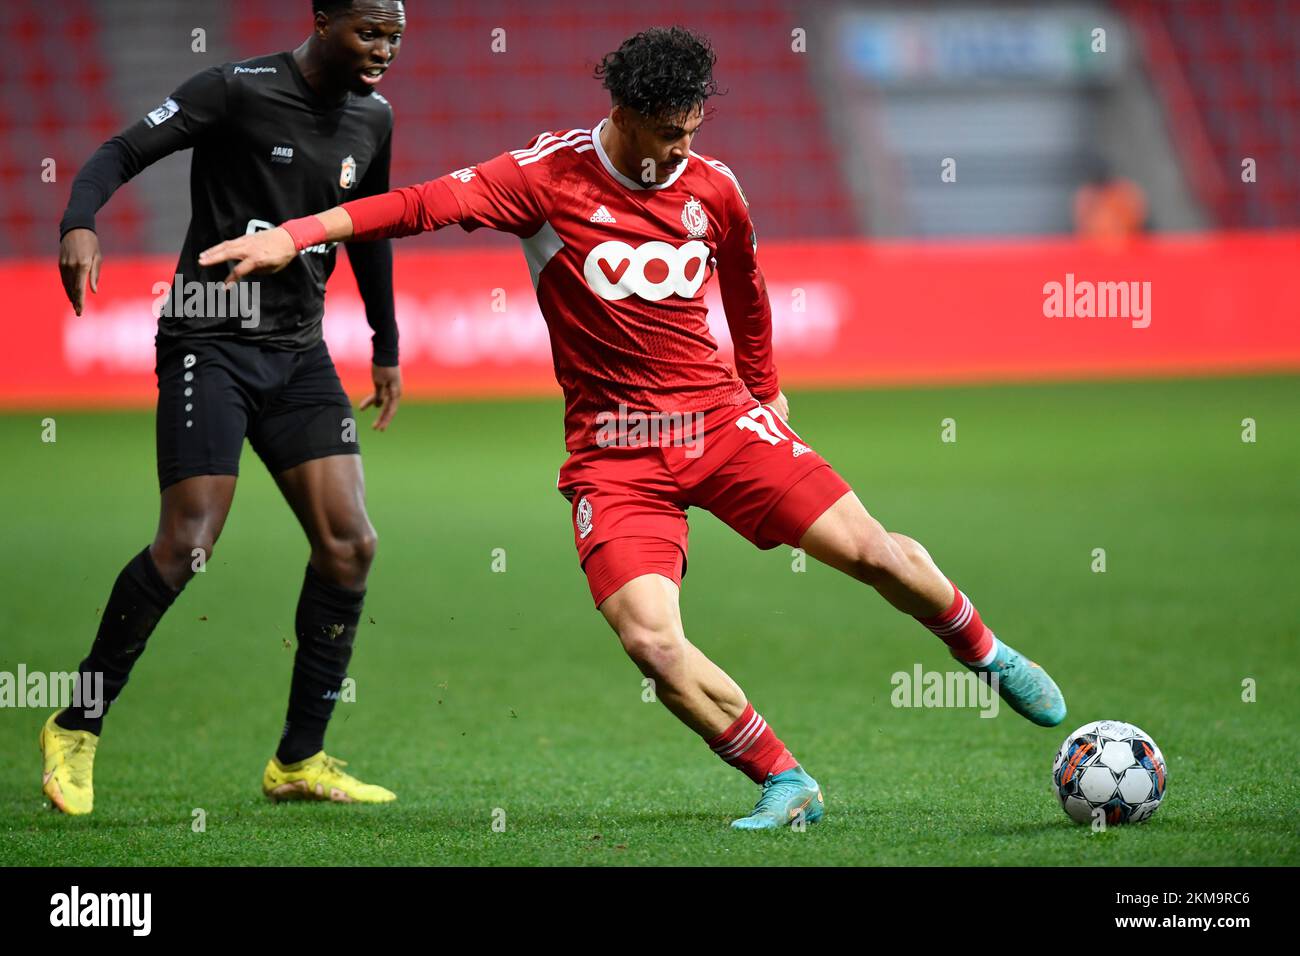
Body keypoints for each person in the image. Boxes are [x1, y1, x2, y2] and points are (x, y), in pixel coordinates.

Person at [200, 26, 1067, 830]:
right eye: (666, 135)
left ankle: (985, 651)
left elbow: (746, 291)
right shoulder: (544, 177)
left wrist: (765, 389)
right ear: (621, 115)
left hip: (723, 424)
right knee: (652, 641)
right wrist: (298, 235)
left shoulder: (714, 188)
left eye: (690, 133)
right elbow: (420, 203)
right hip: (614, 458)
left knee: (872, 552)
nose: (680, 152)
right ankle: (785, 780)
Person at [43, 0, 408, 815]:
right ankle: (76, 725)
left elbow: (368, 231)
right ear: (323, 20)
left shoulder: (374, 117)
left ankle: (299, 760)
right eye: (369, 32)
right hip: (209, 339)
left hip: (300, 352)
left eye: (394, 36)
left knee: (350, 545)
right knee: (188, 540)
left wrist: (385, 342)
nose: (383, 49)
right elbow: (122, 149)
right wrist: (78, 221)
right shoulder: (235, 89)